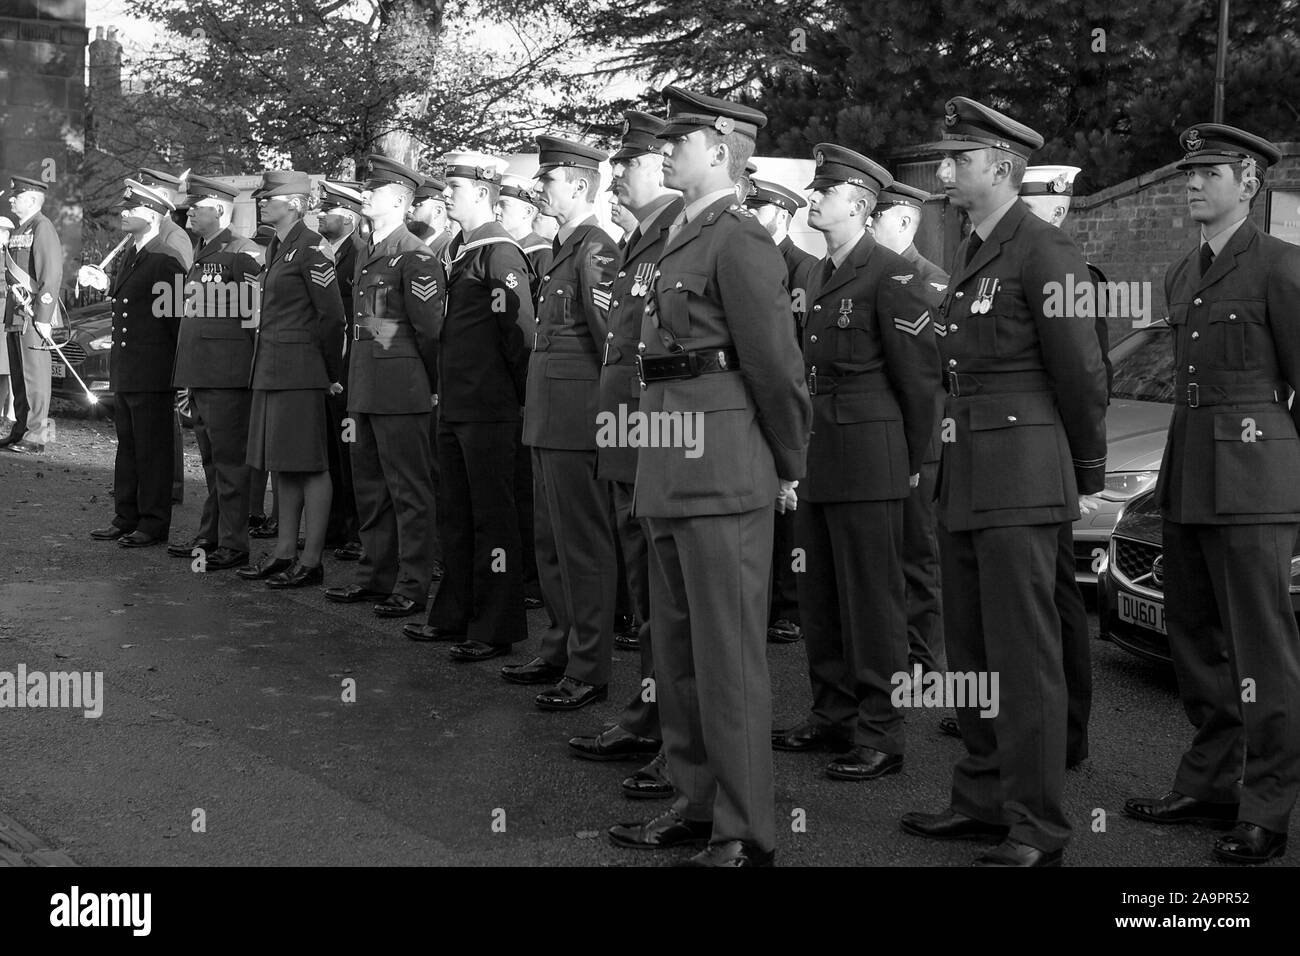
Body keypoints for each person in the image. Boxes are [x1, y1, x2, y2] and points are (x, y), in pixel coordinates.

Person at [899, 97, 1107, 867]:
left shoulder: (1045, 250)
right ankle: (983, 798)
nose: (947, 169)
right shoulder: (976, 246)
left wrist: (1087, 468)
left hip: (1022, 478)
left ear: (1004, 167)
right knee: (975, 651)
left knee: (1025, 659)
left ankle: (1038, 826)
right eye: (947, 158)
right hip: (970, 476)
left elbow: (1081, 371)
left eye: (961, 157)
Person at [606, 88, 811, 867]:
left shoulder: (739, 239)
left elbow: (777, 368)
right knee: (680, 654)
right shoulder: (680, 238)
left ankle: (744, 828)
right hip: (669, 460)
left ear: (720, 150)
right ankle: (695, 804)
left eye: (679, 140)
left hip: (725, 467)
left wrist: (787, 464)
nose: (665, 151)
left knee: (728, 658)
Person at [1124, 124, 1300, 865]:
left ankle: (1266, 810)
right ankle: (1209, 784)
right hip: (1189, 471)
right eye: (1188, 172)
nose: (1191, 183)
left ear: (1249, 182)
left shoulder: (1282, 269)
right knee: (1195, 641)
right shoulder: (1179, 273)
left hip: (1255, 482)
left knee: (1263, 650)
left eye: (1209, 173)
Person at [770, 146, 940, 783]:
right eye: (814, 190)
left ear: (860, 206)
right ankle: (832, 712)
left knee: (873, 601)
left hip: (871, 459)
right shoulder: (817, 274)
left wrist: (915, 461)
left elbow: (918, 381)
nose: (813, 200)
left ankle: (880, 730)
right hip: (821, 456)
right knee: (821, 595)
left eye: (825, 192)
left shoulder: (889, 275)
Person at [568, 110, 682, 796]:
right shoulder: (638, 243)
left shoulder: (676, 238)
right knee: (643, 597)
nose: (615, 176)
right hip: (624, 442)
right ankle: (647, 712)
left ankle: (678, 738)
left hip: (656, 443)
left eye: (628, 163)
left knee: (668, 602)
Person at [498, 135, 621, 712]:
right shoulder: (559, 250)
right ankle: (560, 645)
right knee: (551, 543)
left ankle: (590, 664)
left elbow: (609, 350)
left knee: (582, 545)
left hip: (578, 422)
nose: (538, 188)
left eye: (548, 180)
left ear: (578, 186)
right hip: (548, 418)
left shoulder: (596, 251)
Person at [400, 152, 532, 662]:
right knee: (455, 514)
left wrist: (517, 403)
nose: (444, 196)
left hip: (490, 411)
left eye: (452, 188)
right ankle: (454, 612)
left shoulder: (499, 255)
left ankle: (494, 626)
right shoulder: (462, 250)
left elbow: (520, 337)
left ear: (482, 192)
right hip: (456, 407)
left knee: (493, 519)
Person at [322, 155, 443, 619]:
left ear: (396, 200)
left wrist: (428, 387)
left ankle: (412, 585)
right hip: (367, 388)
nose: (364, 196)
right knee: (371, 488)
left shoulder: (415, 254)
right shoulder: (373, 251)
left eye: (371, 192)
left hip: (402, 390)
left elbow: (430, 331)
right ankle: (376, 576)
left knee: (409, 490)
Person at [236, 170, 345, 588]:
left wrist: (328, 372)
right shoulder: (279, 247)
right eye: (263, 198)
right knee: (282, 463)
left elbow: (332, 315)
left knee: (311, 464)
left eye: (271, 198)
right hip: (274, 368)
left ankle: (311, 559)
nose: (263, 203)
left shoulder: (313, 247)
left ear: (296, 204)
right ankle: (285, 551)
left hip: (300, 371)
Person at [870, 181, 949, 680]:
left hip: (921, 439)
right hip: (880, 438)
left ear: (902, 222)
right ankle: (891, 650)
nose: (867, 225)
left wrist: (919, 452)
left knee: (919, 556)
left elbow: (931, 372)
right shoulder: (870, 277)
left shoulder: (930, 282)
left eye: (874, 216)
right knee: (884, 555)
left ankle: (923, 662)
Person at [81, 179, 187, 545]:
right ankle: (125, 515)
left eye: (133, 208)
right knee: (128, 445)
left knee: (153, 450)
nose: (124, 212)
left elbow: (175, 321)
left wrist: (179, 372)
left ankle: (153, 523)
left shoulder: (166, 259)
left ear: (155, 214)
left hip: (153, 372)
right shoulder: (135, 253)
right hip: (129, 369)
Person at [166, 173, 262, 569]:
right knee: (210, 460)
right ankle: (211, 534)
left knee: (229, 462)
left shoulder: (243, 252)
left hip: (227, 374)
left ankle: (234, 543)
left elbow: (254, 316)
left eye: (198, 206)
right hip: (204, 373)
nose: (189, 213)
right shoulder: (205, 251)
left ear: (219, 210)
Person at [746, 177, 819, 645]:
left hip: (789, 399)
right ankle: (765, 601)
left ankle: (789, 606)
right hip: (753, 400)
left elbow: (801, 343)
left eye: (759, 209)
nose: (750, 214)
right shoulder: (751, 259)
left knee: (788, 509)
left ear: (780, 215)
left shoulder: (803, 267)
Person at [494, 171, 552, 609]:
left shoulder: (539, 253)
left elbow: (527, 330)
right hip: (510, 391)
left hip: (525, 389)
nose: (498, 209)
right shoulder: (505, 251)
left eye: (507, 204)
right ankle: (523, 573)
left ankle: (532, 578)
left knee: (526, 488)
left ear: (530, 211)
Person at [317, 180, 366, 562]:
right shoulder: (323, 254)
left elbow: (374, 322)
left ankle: (356, 531)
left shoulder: (360, 255)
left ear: (348, 217)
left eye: (328, 209)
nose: (320, 214)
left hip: (349, 369)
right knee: (329, 451)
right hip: (325, 367)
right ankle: (333, 527)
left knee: (352, 454)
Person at [2, 176, 61, 454]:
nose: (11, 198)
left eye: (17, 195)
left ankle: (38, 435)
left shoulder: (42, 226)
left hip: (33, 313)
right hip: (16, 312)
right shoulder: (20, 229)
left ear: (33, 199)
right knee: (19, 376)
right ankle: (21, 429)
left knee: (35, 377)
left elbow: (50, 275)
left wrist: (44, 315)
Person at [408, 175, 455, 259]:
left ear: (438, 211)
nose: (409, 210)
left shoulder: (451, 253)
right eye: (408, 205)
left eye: (417, 205)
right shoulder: (406, 248)